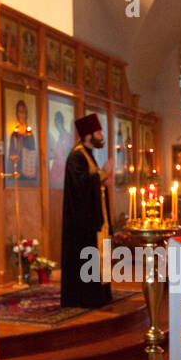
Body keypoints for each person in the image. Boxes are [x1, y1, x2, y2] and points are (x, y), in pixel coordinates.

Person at [60, 113, 112, 308]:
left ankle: (99, 295)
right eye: (98, 132)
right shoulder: (76, 156)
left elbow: (93, 184)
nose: (101, 135)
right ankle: (86, 298)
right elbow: (81, 186)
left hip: (93, 219)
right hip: (81, 223)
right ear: (88, 135)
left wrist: (103, 181)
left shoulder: (88, 155)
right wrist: (104, 173)